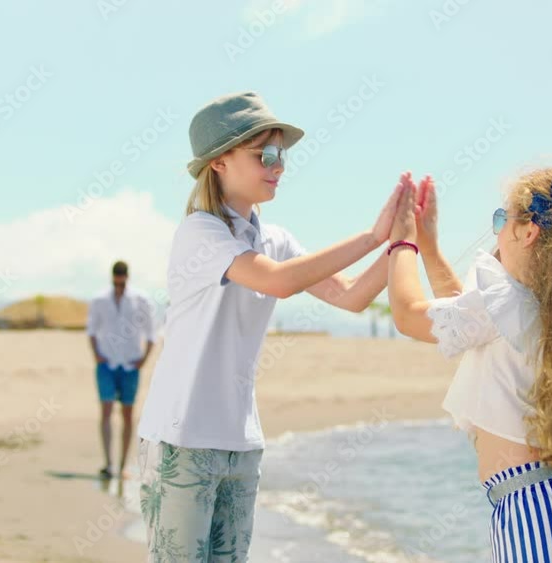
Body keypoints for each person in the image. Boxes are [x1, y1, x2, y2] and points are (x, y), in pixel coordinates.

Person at [136, 91, 404, 562]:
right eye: (266, 153)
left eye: (281, 154)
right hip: (182, 438)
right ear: (219, 162)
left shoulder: (275, 238)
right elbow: (277, 282)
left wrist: (401, 243)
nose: (279, 165)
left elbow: (352, 296)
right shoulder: (200, 232)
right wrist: (372, 236)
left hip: (242, 443)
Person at [386, 169, 552, 562]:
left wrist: (401, 243)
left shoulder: (508, 304)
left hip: (538, 508)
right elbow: (464, 317)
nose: (496, 232)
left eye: (501, 219)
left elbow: (409, 315)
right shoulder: (547, 311)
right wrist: (429, 247)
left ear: (529, 232)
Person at [86, 260, 155, 480]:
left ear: (127, 276)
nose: (119, 281)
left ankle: (123, 465)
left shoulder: (140, 299)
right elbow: (91, 330)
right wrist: (97, 355)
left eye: (122, 276)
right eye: (116, 276)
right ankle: (108, 463)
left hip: (130, 365)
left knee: (128, 414)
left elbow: (152, 332)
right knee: (105, 412)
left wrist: (144, 359)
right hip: (106, 364)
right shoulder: (99, 300)